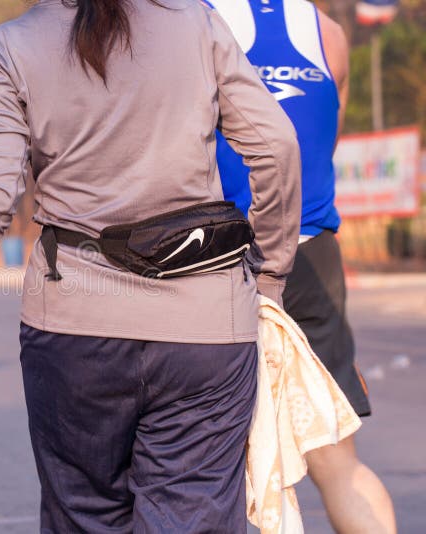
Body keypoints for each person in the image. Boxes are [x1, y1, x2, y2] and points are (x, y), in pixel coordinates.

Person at [0, 1, 300, 531]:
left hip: (75, 335)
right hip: (205, 332)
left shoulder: (12, 47)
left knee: (86, 517)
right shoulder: (197, 22)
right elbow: (276, 147)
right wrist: (268, 277)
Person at [205, 0, 397, 532]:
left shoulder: (193, 19)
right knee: (337, 460)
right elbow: (318, 144)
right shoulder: (329, 33)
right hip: (308, 252)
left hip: (219, 254)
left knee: (201, 458)